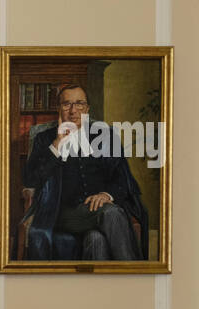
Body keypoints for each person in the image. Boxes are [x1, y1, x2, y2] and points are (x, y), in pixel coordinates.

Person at [20, 82, 148, 261]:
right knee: (111, 213)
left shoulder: (105, 136)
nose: (73, 111)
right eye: (67, 104)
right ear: (59, 109)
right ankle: (136, 278)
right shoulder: (45, 139)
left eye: (79, 103)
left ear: (87, 108)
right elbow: (30, 178)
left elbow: (122, 177)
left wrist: (105, 194)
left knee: (96, 241)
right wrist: (57, 144)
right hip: (61, 213)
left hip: (97, 212)